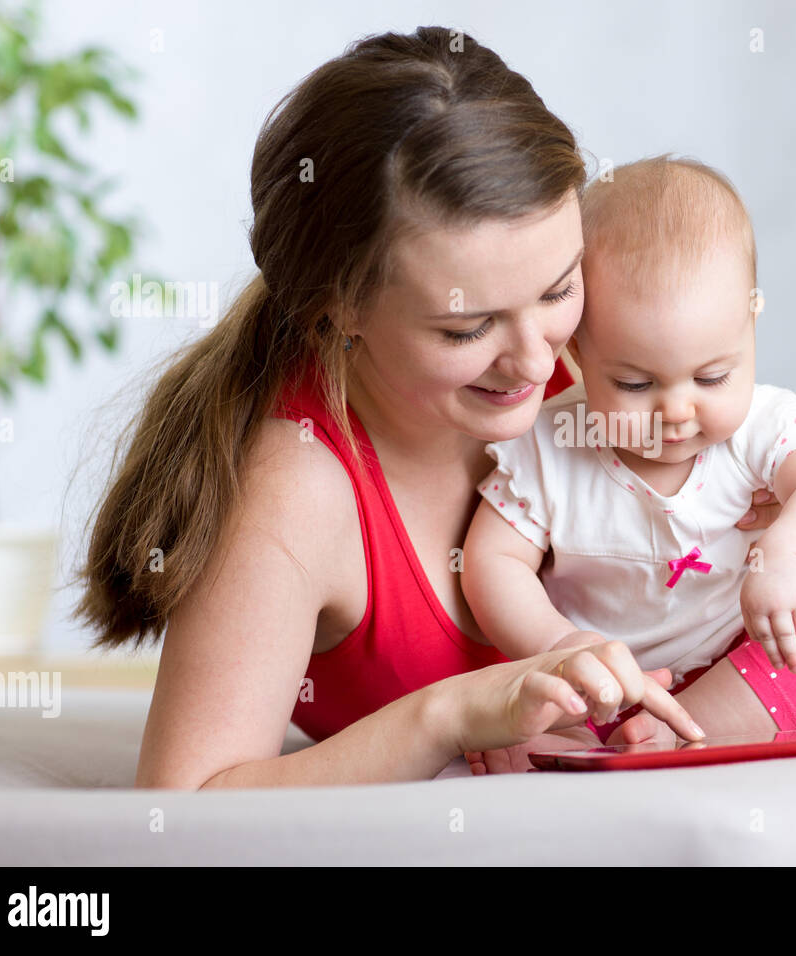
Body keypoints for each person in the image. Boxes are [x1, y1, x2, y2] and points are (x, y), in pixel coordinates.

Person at [70, 28, 742, 788]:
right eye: (468, 327)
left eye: (558, 289)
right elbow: (184, 801)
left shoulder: (599, 370)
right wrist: (449, 715)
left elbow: (772, 485)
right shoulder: (294, 491)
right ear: (339, 308)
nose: (539, 360)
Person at [460, 157, 796, 773]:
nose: (678, 411)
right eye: (633, 383)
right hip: (609, 683)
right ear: (578, 350)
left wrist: (790, 556)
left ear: (751, 324)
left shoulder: (767, 425)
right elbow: (491, 561)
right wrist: (558, 646)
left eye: (712, 376)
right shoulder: (552, 439)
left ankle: (688, 732)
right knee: (509, 695)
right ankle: (608, 737)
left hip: (746, 659)